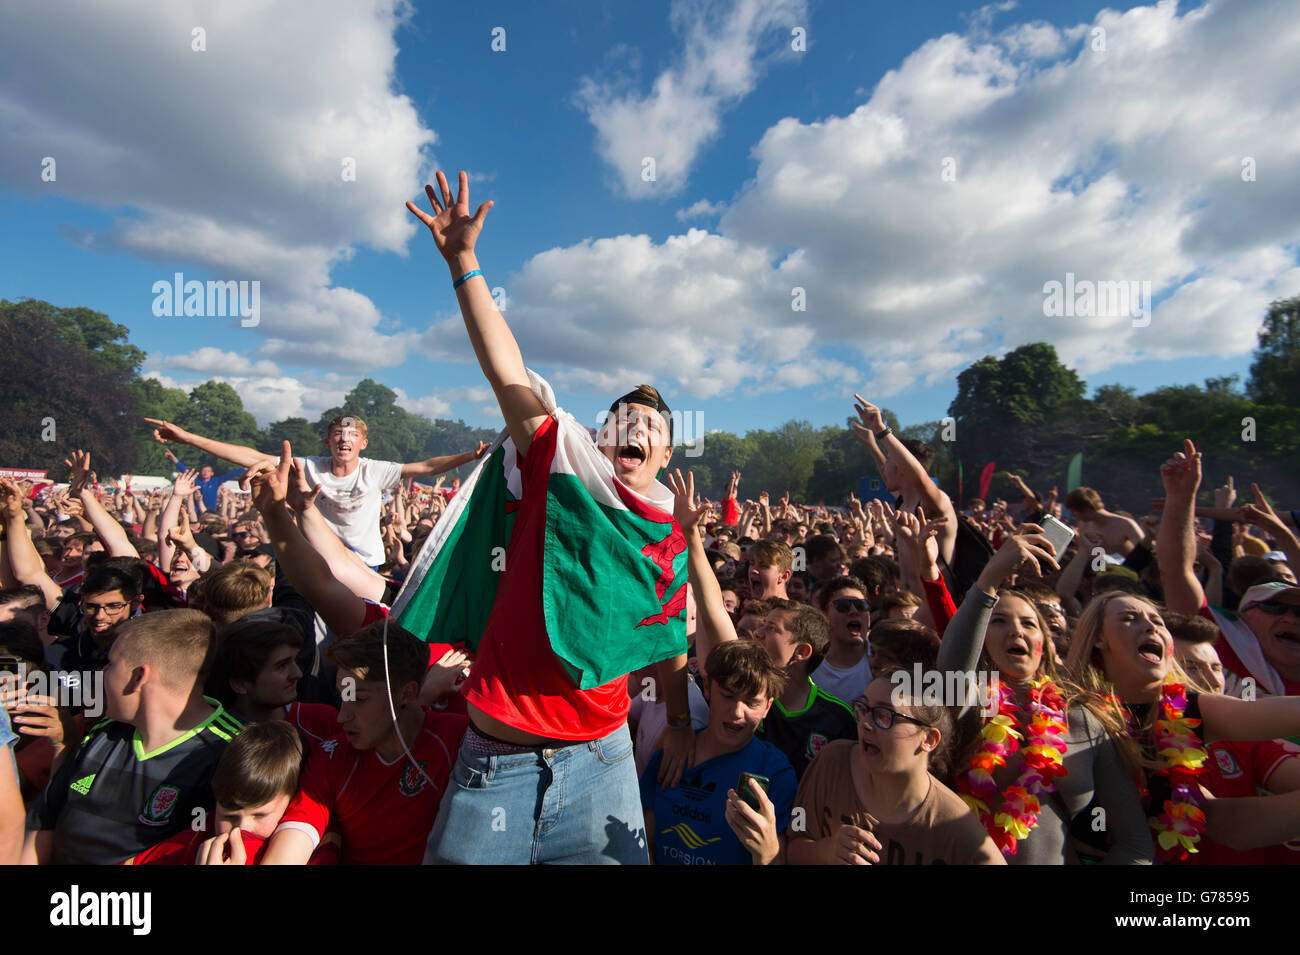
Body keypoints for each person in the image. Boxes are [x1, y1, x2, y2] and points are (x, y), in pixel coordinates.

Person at [405, 170, 693, 865]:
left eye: (647, 424)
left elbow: (666, 642)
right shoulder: (556, 465)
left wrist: (680, 721)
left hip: (604, 762)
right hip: (494, 762)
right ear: (595, 440)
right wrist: (463, 262)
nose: (631, 427)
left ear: (666, 449)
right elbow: (506, 368)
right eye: (618, 419)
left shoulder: (667, 527)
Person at [939, 533, 1152, 864]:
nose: (1017, 632)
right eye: (999, 621)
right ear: (978, 633)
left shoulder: (1082, 717)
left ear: (1045, 641)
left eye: (1028, 624)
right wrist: (990, 577)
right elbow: (953, 672)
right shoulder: (965, 706)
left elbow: (1135, 841)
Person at [23, 610, 243, 864]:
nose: (102, 673)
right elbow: (42, 827)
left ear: (139, 677)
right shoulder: (102, 732)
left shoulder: (232, 750)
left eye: (110, 663)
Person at [145, 414, 487, 569]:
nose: (344, 439)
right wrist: (188, 437)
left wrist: (471, 456)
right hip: (318, 565)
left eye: (352, 435)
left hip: (367, 567)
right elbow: (251, 456)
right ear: (328, 442)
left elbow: (426, 467)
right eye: (338, 434)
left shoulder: (375, 470)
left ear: (362, 444)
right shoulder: (308, 466)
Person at [258, 622, 468, 865]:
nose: (341, 716)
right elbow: (298, 832)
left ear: (407, 693)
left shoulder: (457, 741)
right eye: (342, 697)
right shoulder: (332, 757)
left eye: (358, 699)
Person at [784, 672, 1004, 865]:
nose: (865, 724)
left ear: (928, 739)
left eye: (884, 715)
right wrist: (826, 851)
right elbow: (792, 846)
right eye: (863, 709)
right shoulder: (832, 762)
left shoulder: (954, 825)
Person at [1157, 440, 1300, 698]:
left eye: (1299, 612)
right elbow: (1176, 571)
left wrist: (1281, 532)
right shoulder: (1221, 640)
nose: (1290, 619)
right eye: (1274, 607)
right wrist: (1181, 498)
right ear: (1243, 617)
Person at [641, 640, 796, 865]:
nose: (736, 712)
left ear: (767, 707)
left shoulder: (775, 773)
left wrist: (767, 853)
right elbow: (644, 841)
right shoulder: (672, 753)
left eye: (751, 703)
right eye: (728, 695)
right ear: (707, 687)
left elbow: (779, 857)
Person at [125, 721, 337, 865]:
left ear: (292, 805)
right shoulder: (200, 833)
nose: (240, 829)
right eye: (228, 816)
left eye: (260, 815)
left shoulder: (318, 848)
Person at [811, 576, 872, 705]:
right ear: (824, 615)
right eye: (843, 606)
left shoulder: (884, 659)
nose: (854, 611)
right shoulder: (809, 668)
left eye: (861, 605)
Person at [1065, 487, 1145, 556]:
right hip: (1097, 571)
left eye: (1074, 512)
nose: (1074, 515)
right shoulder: (1084, 526)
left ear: (1086, 509)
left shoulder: (1126, 524)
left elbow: (1145, 552)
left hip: (1125, 571)